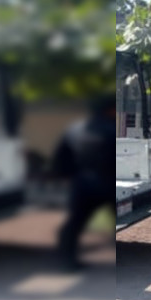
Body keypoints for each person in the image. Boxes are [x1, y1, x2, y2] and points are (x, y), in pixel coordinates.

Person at [54, 95, 116, 271]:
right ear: (110, 109)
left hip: (82, 183)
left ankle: (67, 261)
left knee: (75, 223)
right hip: (107, 182)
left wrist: (70, 177)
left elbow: (61, 159)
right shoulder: (111, 129)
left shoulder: (75, 129)